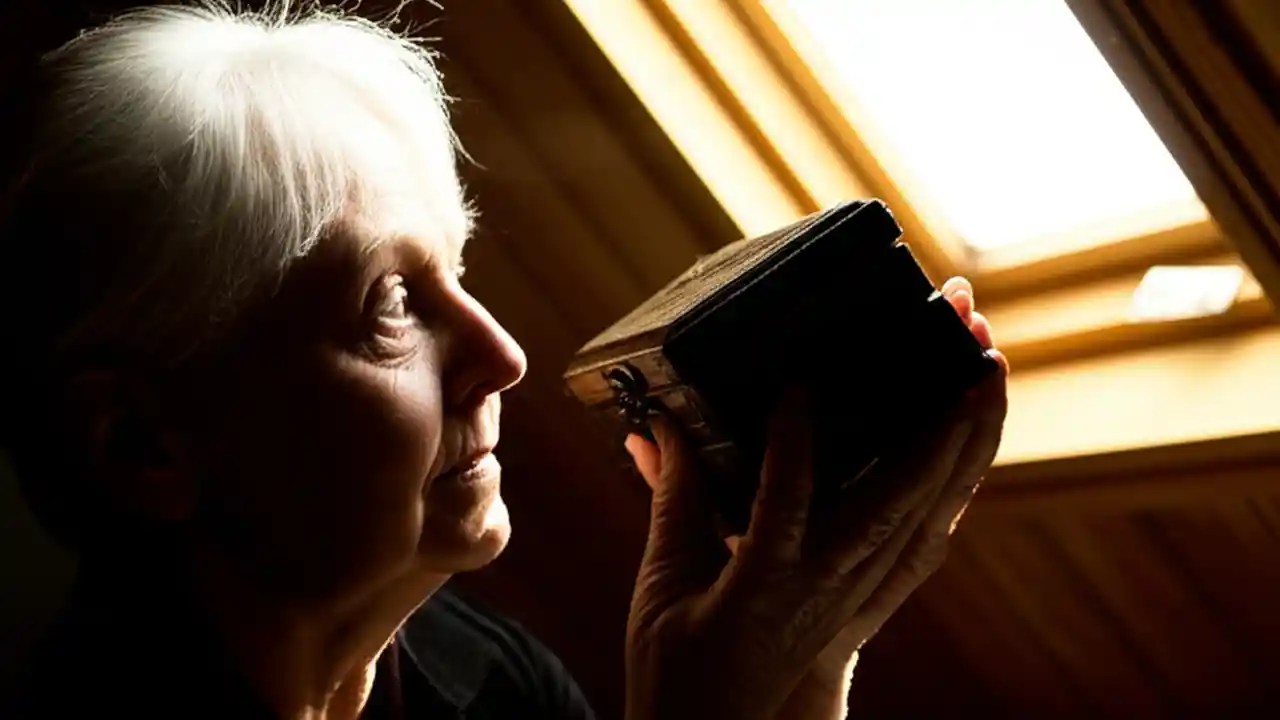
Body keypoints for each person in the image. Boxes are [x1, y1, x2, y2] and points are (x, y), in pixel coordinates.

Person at [0, 2, 1008, 718]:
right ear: (142, 444)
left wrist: (805, 667)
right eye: (389, 303)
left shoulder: (486, 678)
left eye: (455, 268)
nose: (505, 356)